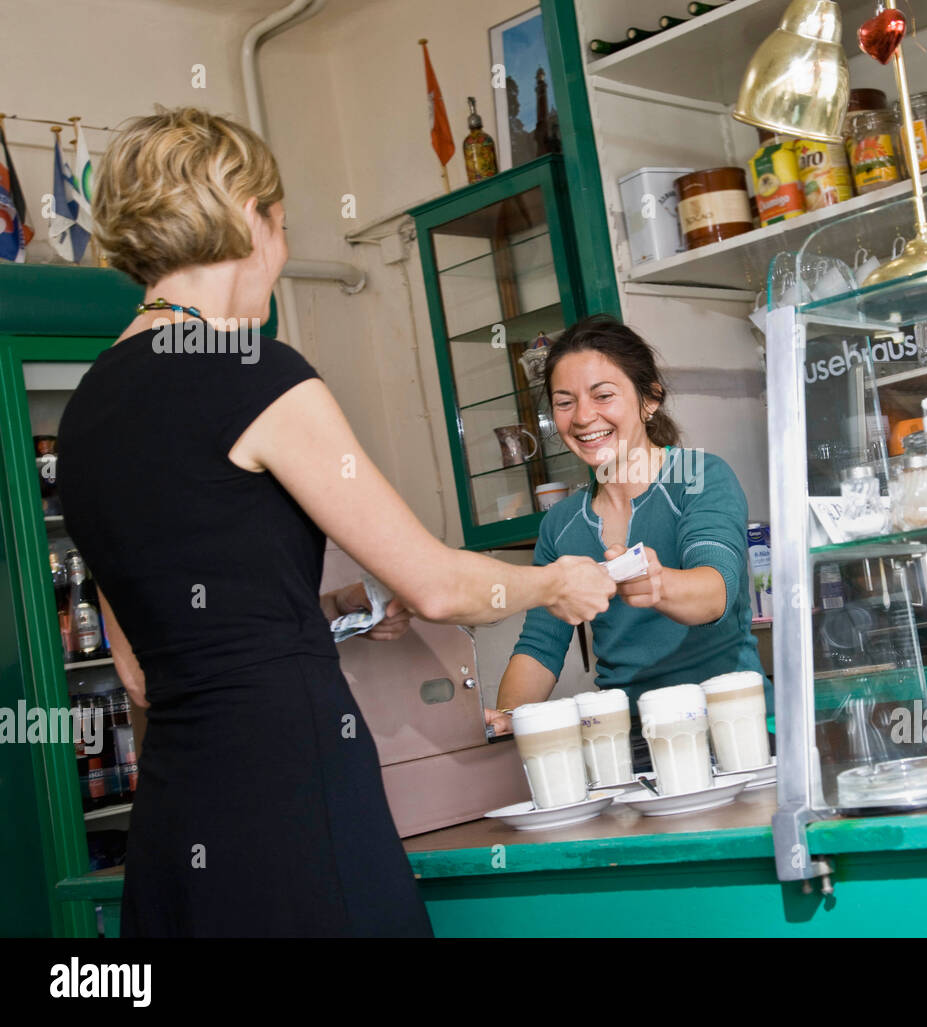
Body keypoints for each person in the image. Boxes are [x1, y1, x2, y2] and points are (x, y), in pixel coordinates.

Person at [56, 106, 615, 938]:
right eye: (281, 230)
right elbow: (434, 583)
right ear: (249, 216)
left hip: (178, 812)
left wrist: (311, 616)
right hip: (290, 794)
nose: (278, 259)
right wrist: (557, 581)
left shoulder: (84, 413)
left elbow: (138, 668)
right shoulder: (250, 371)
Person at [489, 315, 773, 771]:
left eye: (603, 396)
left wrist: (659, 585)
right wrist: (507, 717)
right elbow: (541, 647)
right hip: (629, 745)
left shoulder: (699, 477)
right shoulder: (561, 524)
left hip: (733, 725)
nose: (583, 417)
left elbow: (716, 590)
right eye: (565, 403)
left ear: (649, 399)